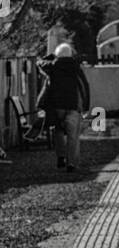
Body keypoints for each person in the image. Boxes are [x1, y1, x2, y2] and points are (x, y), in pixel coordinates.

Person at [40, 43, 90, 172]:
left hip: (57, 105)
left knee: (58, 131)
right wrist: (86, 105)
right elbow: (84, 86)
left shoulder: (52, 66)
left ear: (58, 55)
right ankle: (71, 163)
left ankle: (61, 156)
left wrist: (50, 57)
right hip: (73, 105)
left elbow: (39, 63)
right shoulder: (76, 67)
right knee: (73, 135)